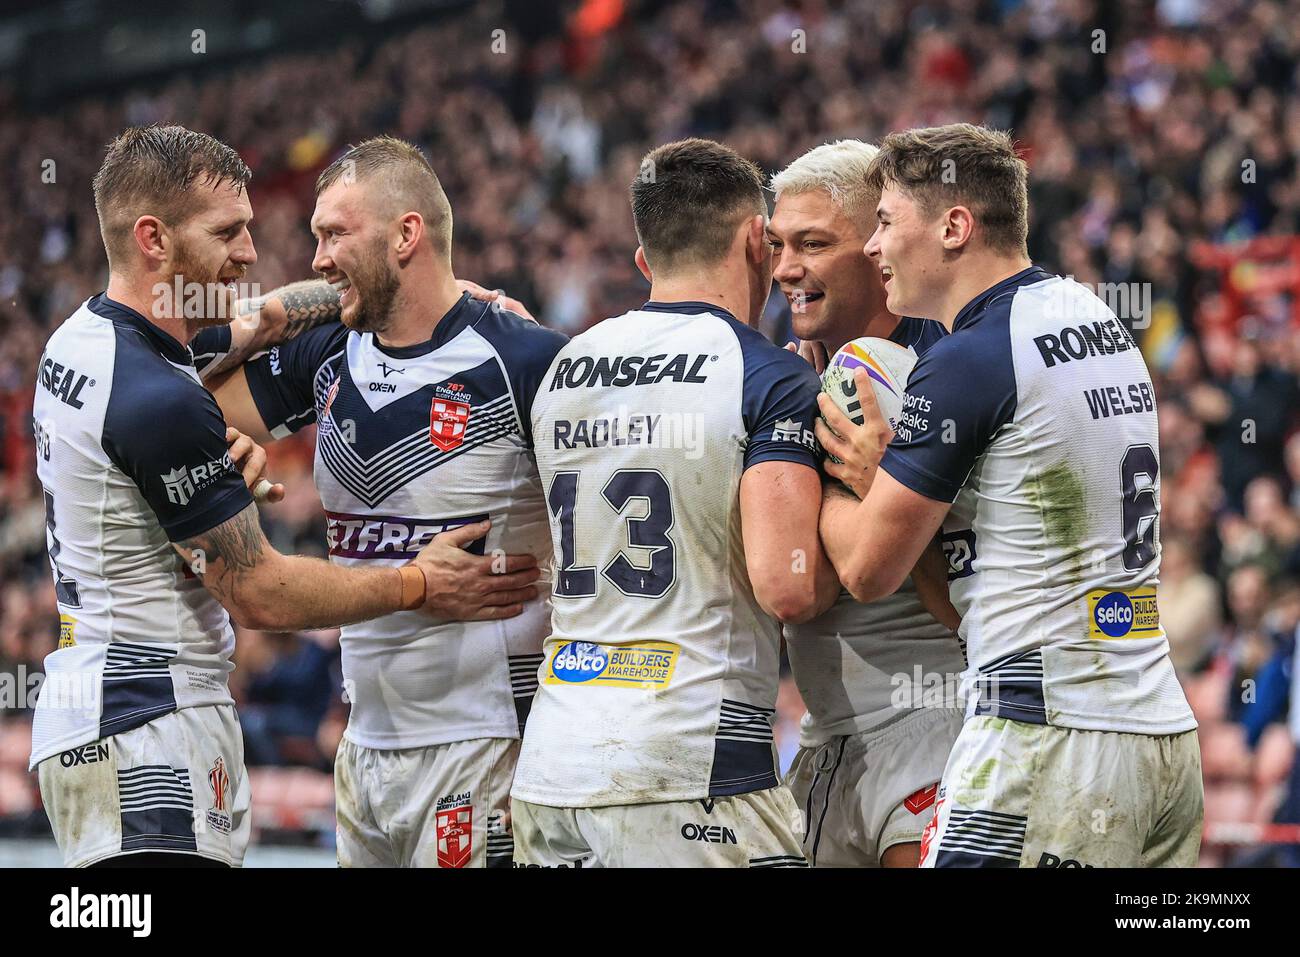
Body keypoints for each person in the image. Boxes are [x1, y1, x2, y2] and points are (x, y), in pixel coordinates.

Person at [31, 125, 533, 868]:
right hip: (148, 725)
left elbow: (248, 333)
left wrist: (447, 295)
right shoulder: (159, 397)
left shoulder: (80, 345)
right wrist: (419, 581)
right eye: (228, 231)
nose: (249, 252)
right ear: (153, 239)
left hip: (96, 704)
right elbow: (262, 593)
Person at [817, 124, 1202, 867]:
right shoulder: (1097, 320)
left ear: (954, 227)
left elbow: (867, 569)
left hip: (1046, 736)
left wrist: (850, 477)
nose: (872, 247)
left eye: (888, 222)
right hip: (1159, 728)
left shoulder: (971, 357)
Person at [203, 136, 566, 867]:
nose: (317, 257)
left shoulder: (526, 358)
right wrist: (272, 320)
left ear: (407, 235)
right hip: (365, 748)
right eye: (315, 237)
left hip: (491, 741)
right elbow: (180, 409)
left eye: (335, 234)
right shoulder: (329, 352)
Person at [510, 137, 841, 868]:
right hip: (692, 765)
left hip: (553, 763)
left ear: (643, 261)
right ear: (757, 242)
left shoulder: (564, 366)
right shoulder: (766, 377)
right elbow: (788, 586)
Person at [767, 139, 966, 867]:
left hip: (931, 726)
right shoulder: (783, 368)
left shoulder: (946, 372)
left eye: (813, 244)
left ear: (875, 249)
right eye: (778, 244)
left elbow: (970, 595)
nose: (786, 267)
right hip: (827, 737)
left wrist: (896, 501)